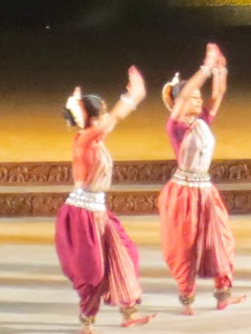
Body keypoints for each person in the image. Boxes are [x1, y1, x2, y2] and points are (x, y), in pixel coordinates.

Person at [56, 68, 153, 332]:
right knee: (94, 272)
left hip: (98, 210)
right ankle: (87, 322)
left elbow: (112, 121)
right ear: (94, 118)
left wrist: (134, 96)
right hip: (82, 214)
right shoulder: (86, 139)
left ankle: (128, 312)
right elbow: (116, 118)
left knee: (127, 254)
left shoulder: (95, 138)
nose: (107, 117)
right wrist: (133, 96)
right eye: (103, 114)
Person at [158, 43, 246, 315]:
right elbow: (185, 96)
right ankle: (187, 298)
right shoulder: (175, 125)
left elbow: (218, 92)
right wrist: (205, 67)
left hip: (206, 190)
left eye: (199, 97)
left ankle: (223, 294)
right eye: (192, 97)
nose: (198, 100)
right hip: (184, 193)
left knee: (221, 239)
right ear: (178, 101)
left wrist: (220, 70)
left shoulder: (204, 119)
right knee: (185, 245)